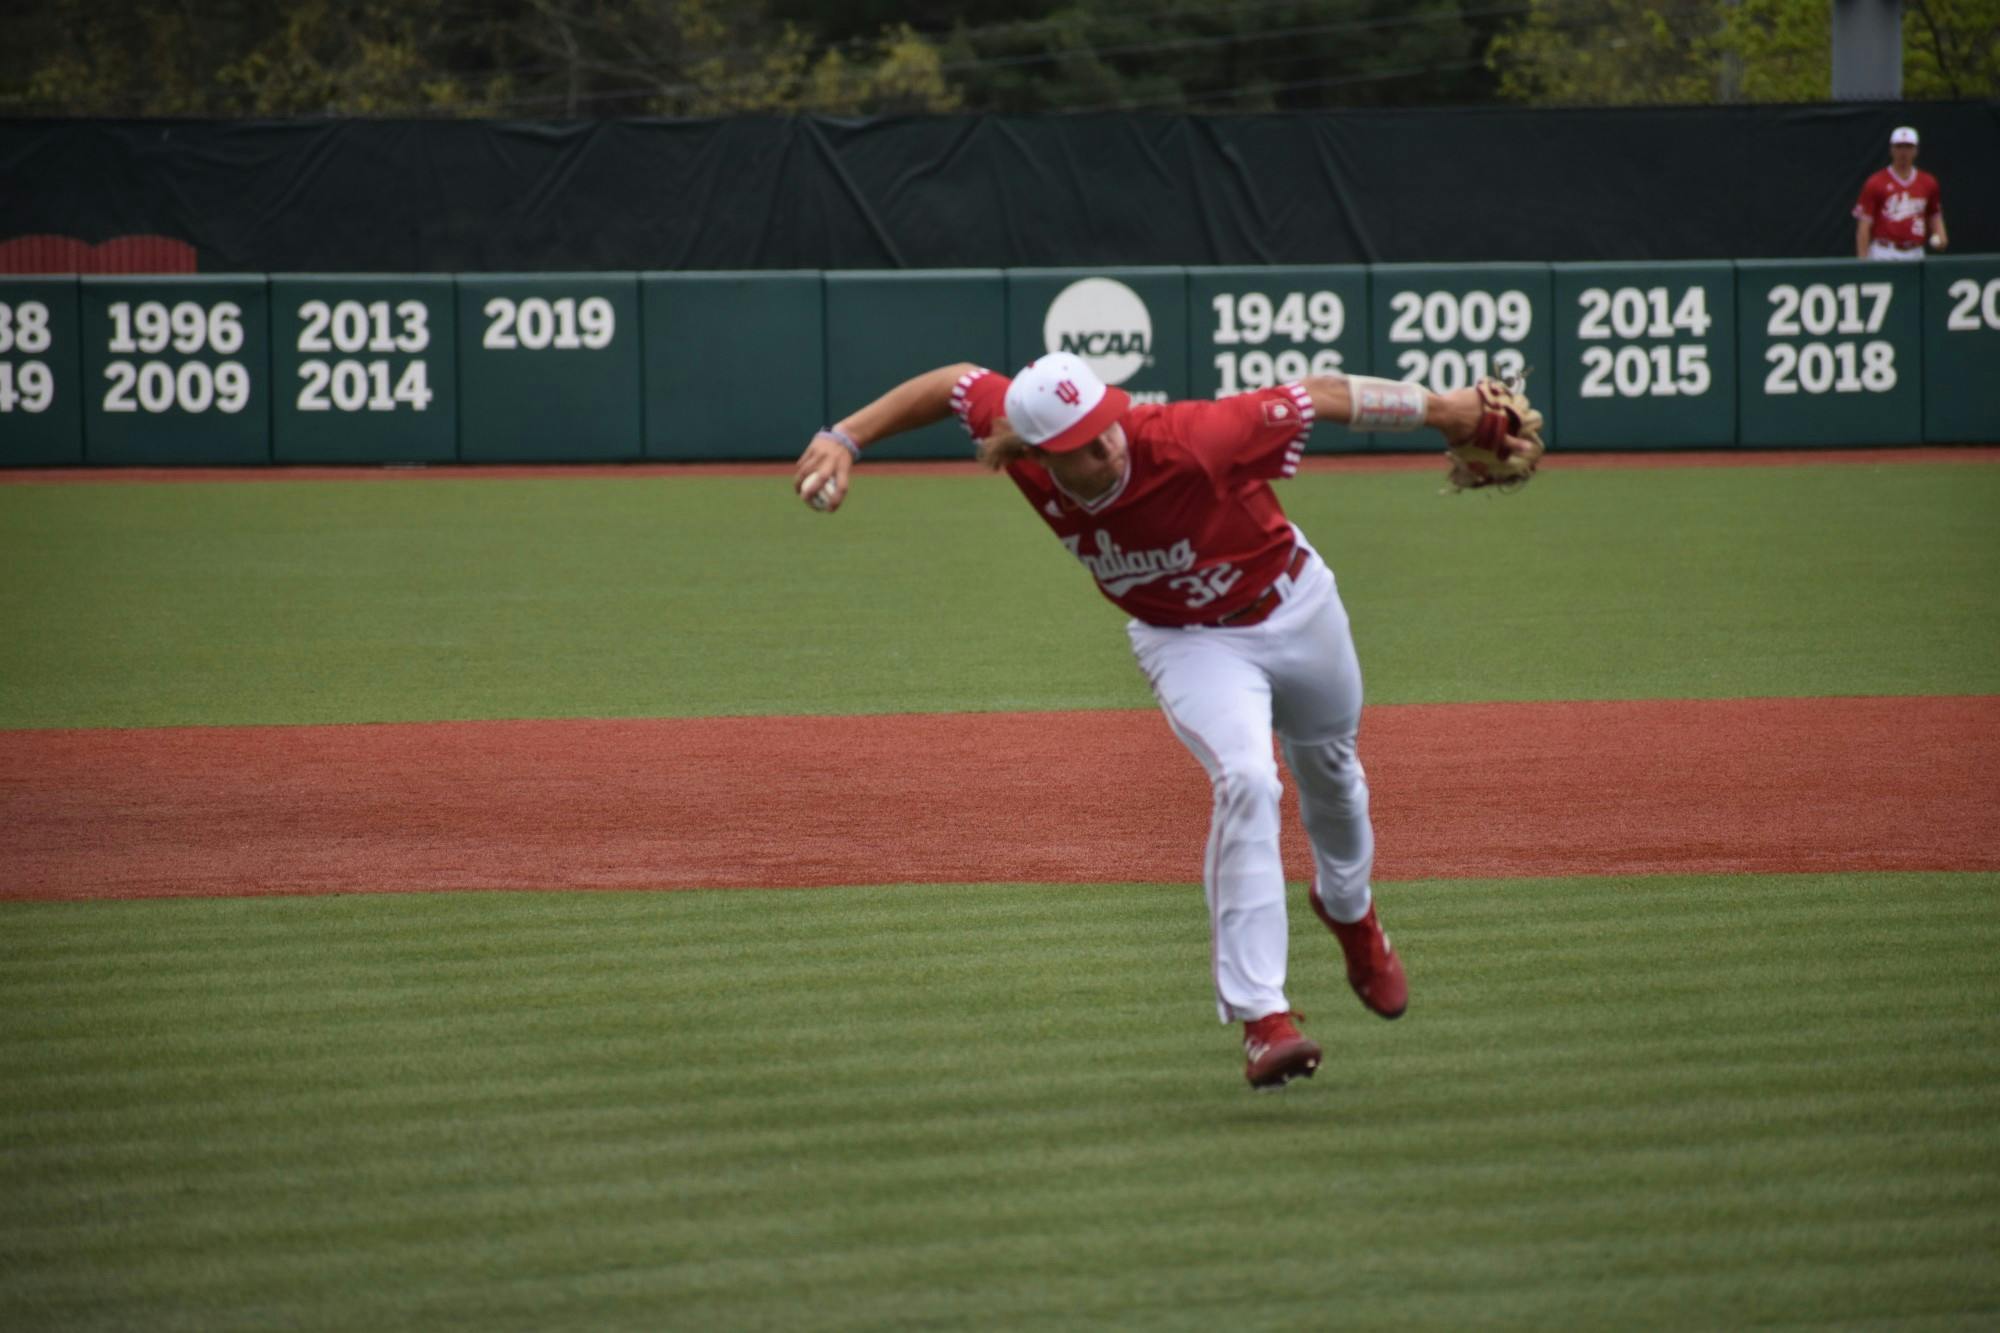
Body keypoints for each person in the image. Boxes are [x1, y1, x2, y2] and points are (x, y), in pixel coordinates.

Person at [792, 354, 1538, 1089]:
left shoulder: (1191, 436)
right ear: (1035, 454)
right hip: (1186, 641)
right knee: (1246, 778)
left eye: (1105, 421)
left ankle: (1349, 910)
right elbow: (950, 381)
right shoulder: (1016, 430)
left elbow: (1321, 395)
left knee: (1333, 776)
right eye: (1083, 441)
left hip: (1297, 605)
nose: (1106, 441)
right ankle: (1264, 1019)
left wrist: (1444, 411)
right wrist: (846, 437)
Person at [1854, 126, 1947, 261]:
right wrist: (1863, 262)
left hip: (1915, 252)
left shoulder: (1928, 182)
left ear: (1916, 150)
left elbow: (1934, 215)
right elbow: (1863, 227)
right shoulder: (1876, 181)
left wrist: (1941, 235)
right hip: (1884, 251)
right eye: (1899, 146)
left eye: (1908, 147)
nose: (1903, 152)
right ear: (1891, 149)